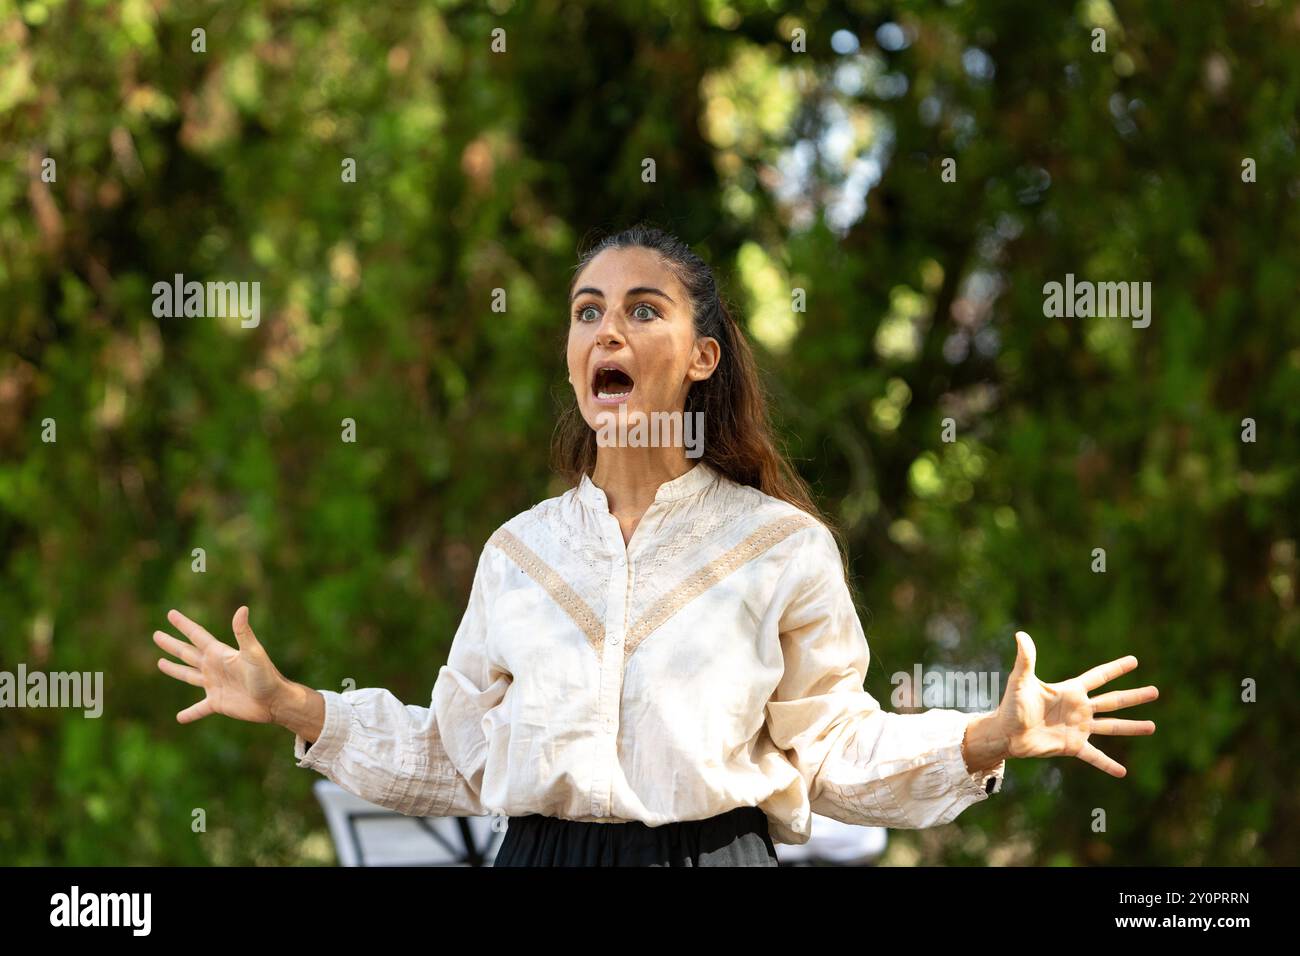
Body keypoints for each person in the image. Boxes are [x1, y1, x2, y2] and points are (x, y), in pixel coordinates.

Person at [152, 224, 1159, 866]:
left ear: (701, 356)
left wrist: (984, 736)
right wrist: (295, 706)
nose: (607, 332)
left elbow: (838, 753)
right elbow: (459, 759)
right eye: (588, 312)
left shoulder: (781, 548)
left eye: (643, 309)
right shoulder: (519, 554)